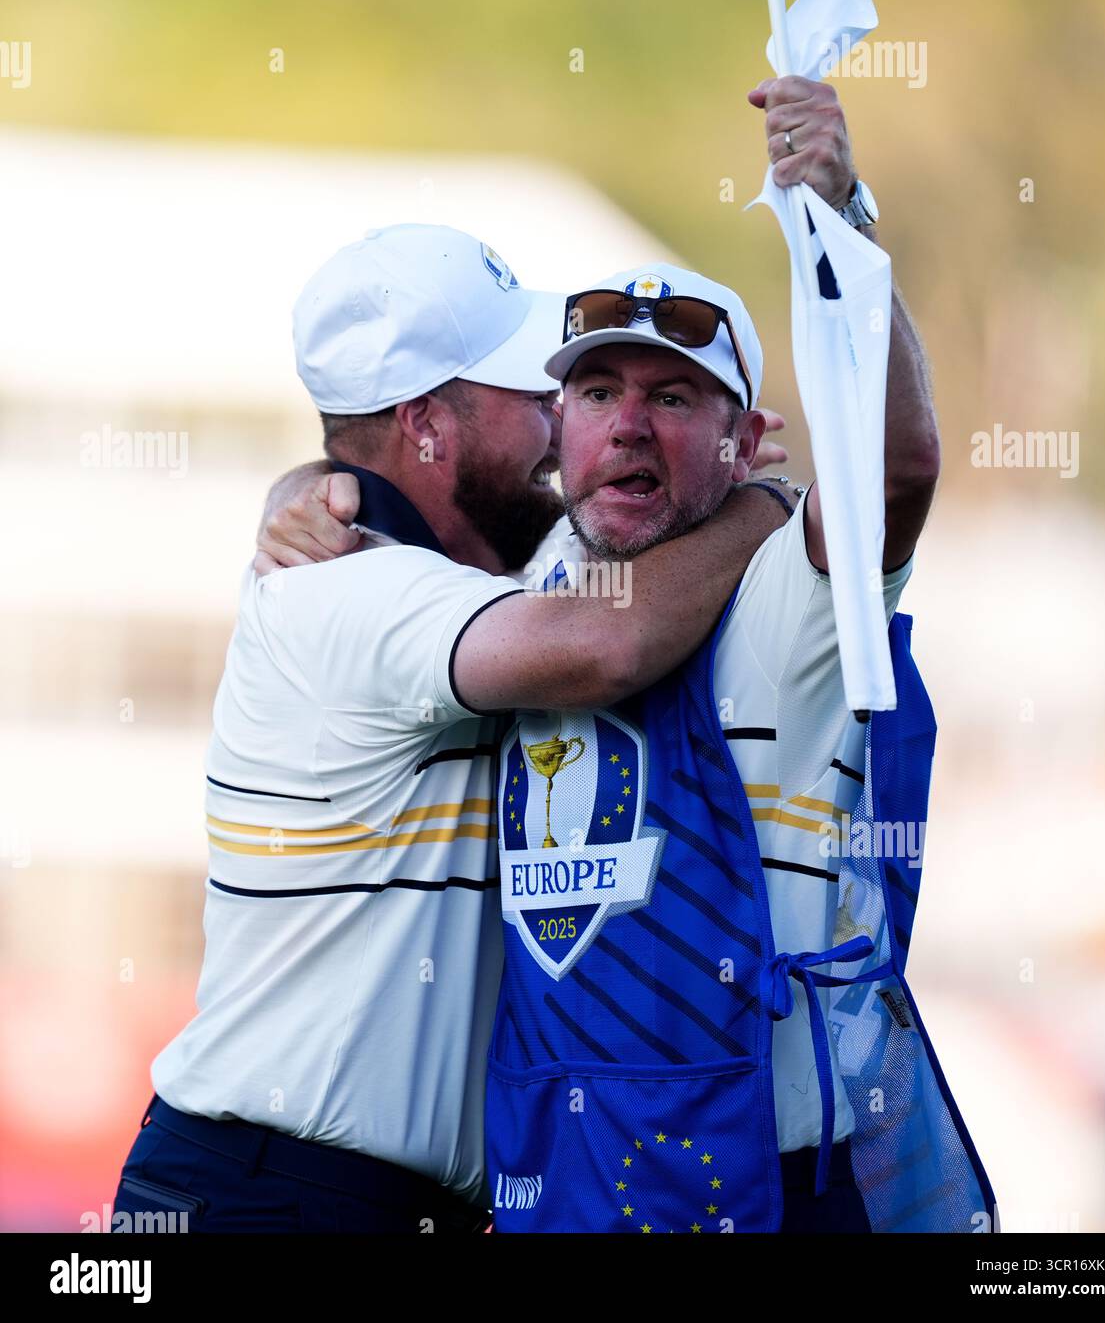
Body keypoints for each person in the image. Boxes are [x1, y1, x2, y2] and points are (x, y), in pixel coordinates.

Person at [260, 76, 997, 1233]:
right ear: (559, 430)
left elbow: (895, 467)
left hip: (774, 1186)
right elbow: (421, 502)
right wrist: (310, 487)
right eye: (597, 390)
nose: (630, 422)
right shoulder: (536, 568)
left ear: (749, 439)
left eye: (676, 396)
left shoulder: (785, 585)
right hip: (568, 1190)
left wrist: (845, 218)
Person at [110, 223, 786, 1233]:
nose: (562, 431)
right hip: (272, 1193)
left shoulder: (416, 571)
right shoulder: (359, 592)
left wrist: (299, 484)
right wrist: (765, 505)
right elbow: (609, 641)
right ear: (428, 423)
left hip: (320, 1193)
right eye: (530, 400)